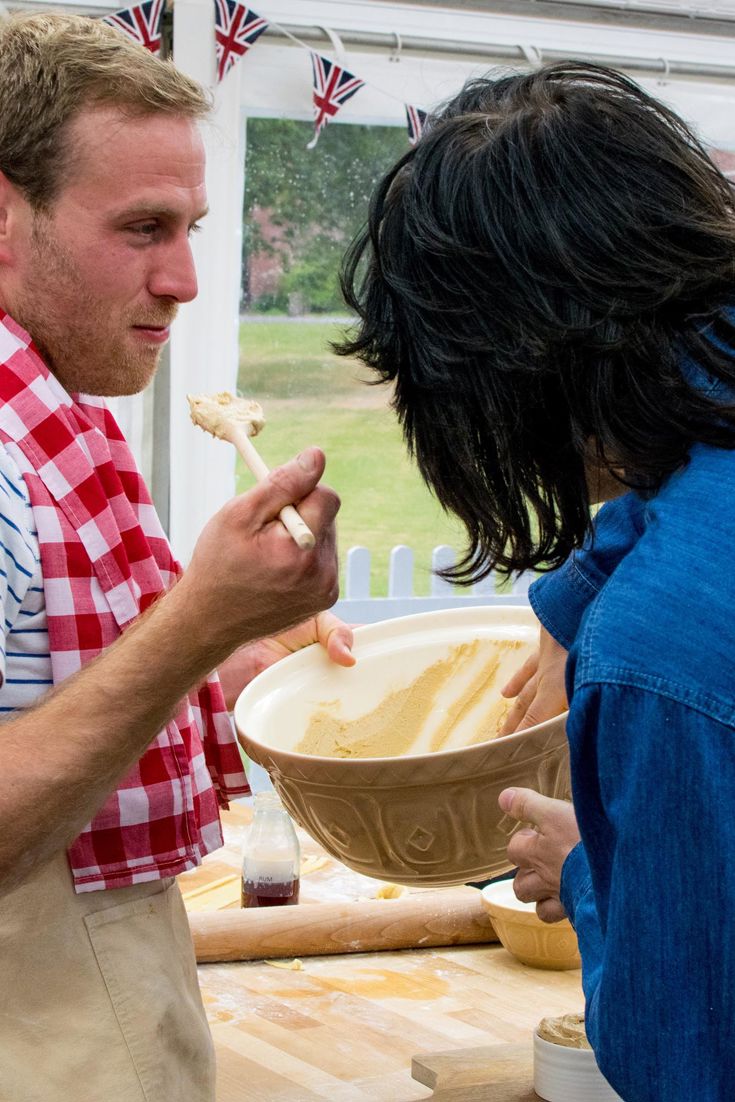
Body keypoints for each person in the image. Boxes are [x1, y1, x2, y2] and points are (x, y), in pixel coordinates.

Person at [337, 61, 735, 1100]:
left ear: (505, 379)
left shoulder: (657, 652)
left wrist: (594, 877)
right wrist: (572, 600)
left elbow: (690, 1053)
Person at [0, 12, 354, 1102]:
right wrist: (198, 618)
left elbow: (46, 699)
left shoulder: (52, 414)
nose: (187, 279)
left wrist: (235, 653)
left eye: (191, 226)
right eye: (143, 228)